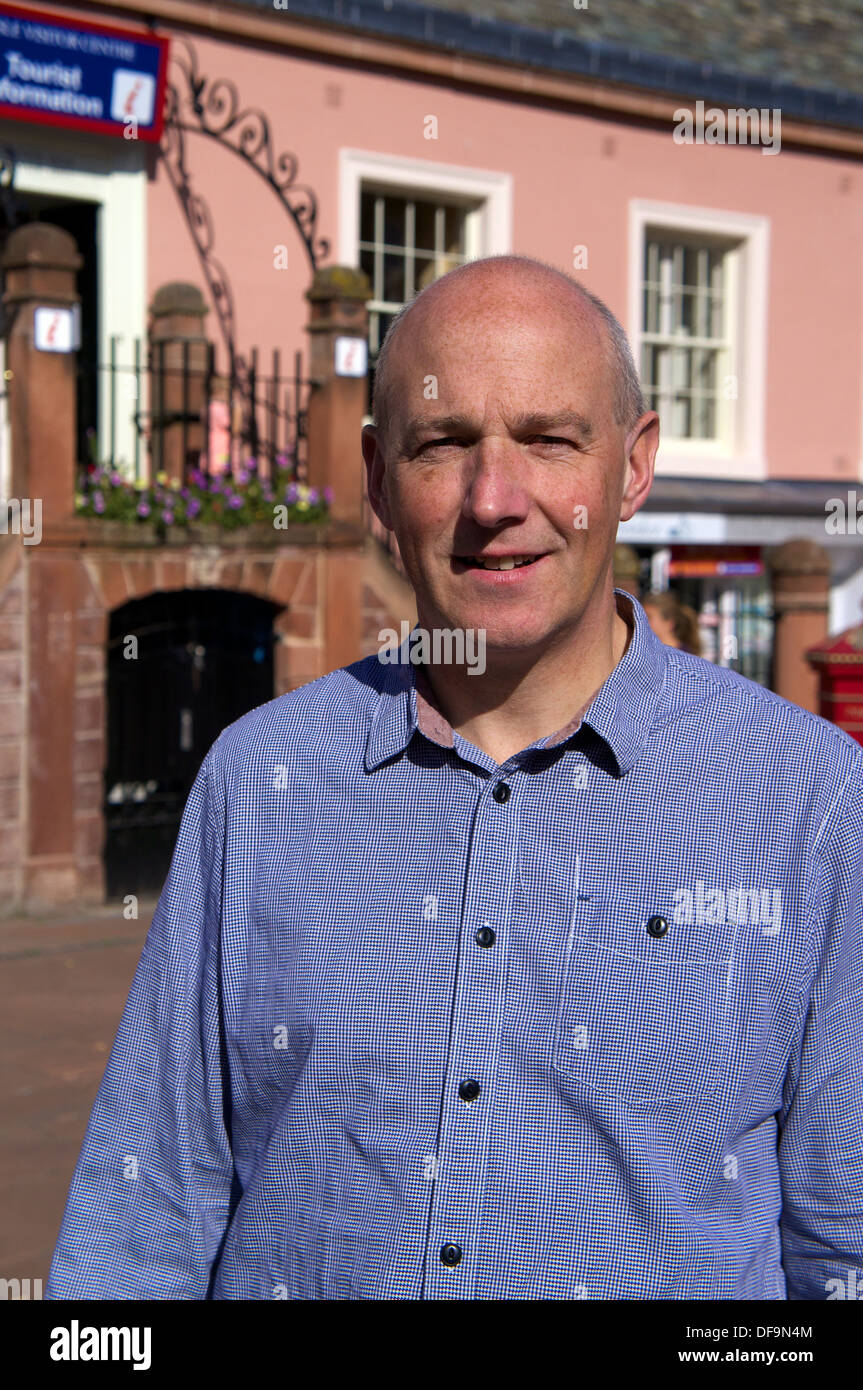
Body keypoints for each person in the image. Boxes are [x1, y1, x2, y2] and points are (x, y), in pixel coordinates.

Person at [46, 255, 863, 1300]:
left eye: (547, 438)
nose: (492, 498)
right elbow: (142, 1212)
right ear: (380, 478)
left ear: (631, 465)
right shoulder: (259, 783)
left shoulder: (811, 804)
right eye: (444, 445)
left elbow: (840, 1249)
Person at [642, 589, 703, 655]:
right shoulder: (647, 652)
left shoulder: (685, 657)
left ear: (669, 623)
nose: (642, 621)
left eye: (648, 617)